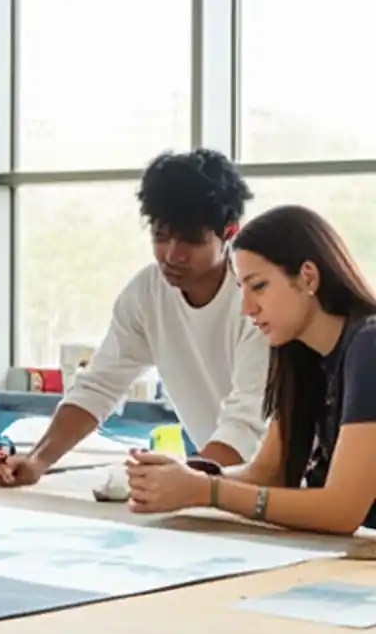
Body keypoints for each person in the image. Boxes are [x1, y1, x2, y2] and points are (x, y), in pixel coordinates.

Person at [0, 148, 270, 487]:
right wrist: (36, 461)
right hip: (217, 475)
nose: (172, 255)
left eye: (191, 241)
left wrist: (187, 482)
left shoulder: (256, 300)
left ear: (229, 232)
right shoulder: (147, 294)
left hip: (285, 480)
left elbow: (248, 423)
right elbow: (99, 387)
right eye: (160, 236)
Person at [126, 205, 376, 534]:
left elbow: (342, 510)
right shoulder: (301, 357)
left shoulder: (368, 346)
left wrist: (207, 492)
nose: (246, 308)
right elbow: (268, 473)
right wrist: (182, 478)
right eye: (241, 289)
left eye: (258, 286)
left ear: (308, 277)